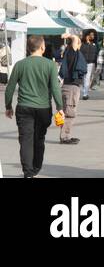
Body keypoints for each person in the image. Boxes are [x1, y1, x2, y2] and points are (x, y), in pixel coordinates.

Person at [5, 35, 64, 177]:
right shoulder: (50, 65)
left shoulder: (20, 64)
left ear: (28, 48)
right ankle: (36, 167)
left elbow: (10, 87)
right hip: (43, 108)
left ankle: (28, 172)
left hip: (24, 107)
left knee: (25, 140)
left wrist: (8, 106)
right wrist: (60, 107)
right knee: (39, 139)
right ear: (42, 47)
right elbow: (55, 88)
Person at [58, 35, 86, 145]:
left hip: (69, 87)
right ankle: (65, 137)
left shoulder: (70, 53)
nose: (80, 44)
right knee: (70, 113)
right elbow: (74, 40)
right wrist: (70, 35)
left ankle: (65, 135)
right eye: (79, 42)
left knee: (67, 112)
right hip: (71, 88)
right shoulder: (72, 52)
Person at [80, 31, 99, 98]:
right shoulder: (83, 44)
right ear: (87, 36)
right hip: (85, 62)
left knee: (89, 78)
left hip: (92, 63)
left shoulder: (95, 44)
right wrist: (87, 42)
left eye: (93, 35)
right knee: (86, 77)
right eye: (91, 35)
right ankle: (85, 93)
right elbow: (82, 51)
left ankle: (85, 91)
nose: (92, 36)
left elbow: (97, 53)